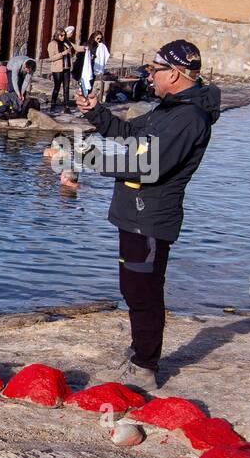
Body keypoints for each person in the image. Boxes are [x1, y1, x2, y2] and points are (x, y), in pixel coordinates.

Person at [76, 39, 221, 390]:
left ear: (175, 73)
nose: (149, 77)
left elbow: (148, 165)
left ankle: (145, 366)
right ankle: (140, 352)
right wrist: (95, 113)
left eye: (154, 71)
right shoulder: (168, 109)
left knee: (143, 292)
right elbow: (129, 135)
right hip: (135, 216)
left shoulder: (188, 118)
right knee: (133, 288)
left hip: (152, 219)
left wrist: (84, 158)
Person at [46, 25, 75, 114]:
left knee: (66, 88)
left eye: (64, 35)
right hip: (58, 69)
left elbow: (75, 47)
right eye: (61, 35)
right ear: (57, 35)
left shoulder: (66, 42)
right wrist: (63, 53)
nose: (63, 37)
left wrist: (85, 48)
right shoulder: (52, 44)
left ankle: (66, 107)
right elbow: (51, 58)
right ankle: (53, 105)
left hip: (67, 68)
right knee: (57, 87)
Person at [87, 30, 111, 98]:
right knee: (86, 82)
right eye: (97, 38)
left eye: (100, 39)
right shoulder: (90, 44)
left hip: (95, 66)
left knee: (91, 83)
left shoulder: (101, 46)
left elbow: (105, 55)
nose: (99, 40)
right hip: (89, 66)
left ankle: (88, 97)